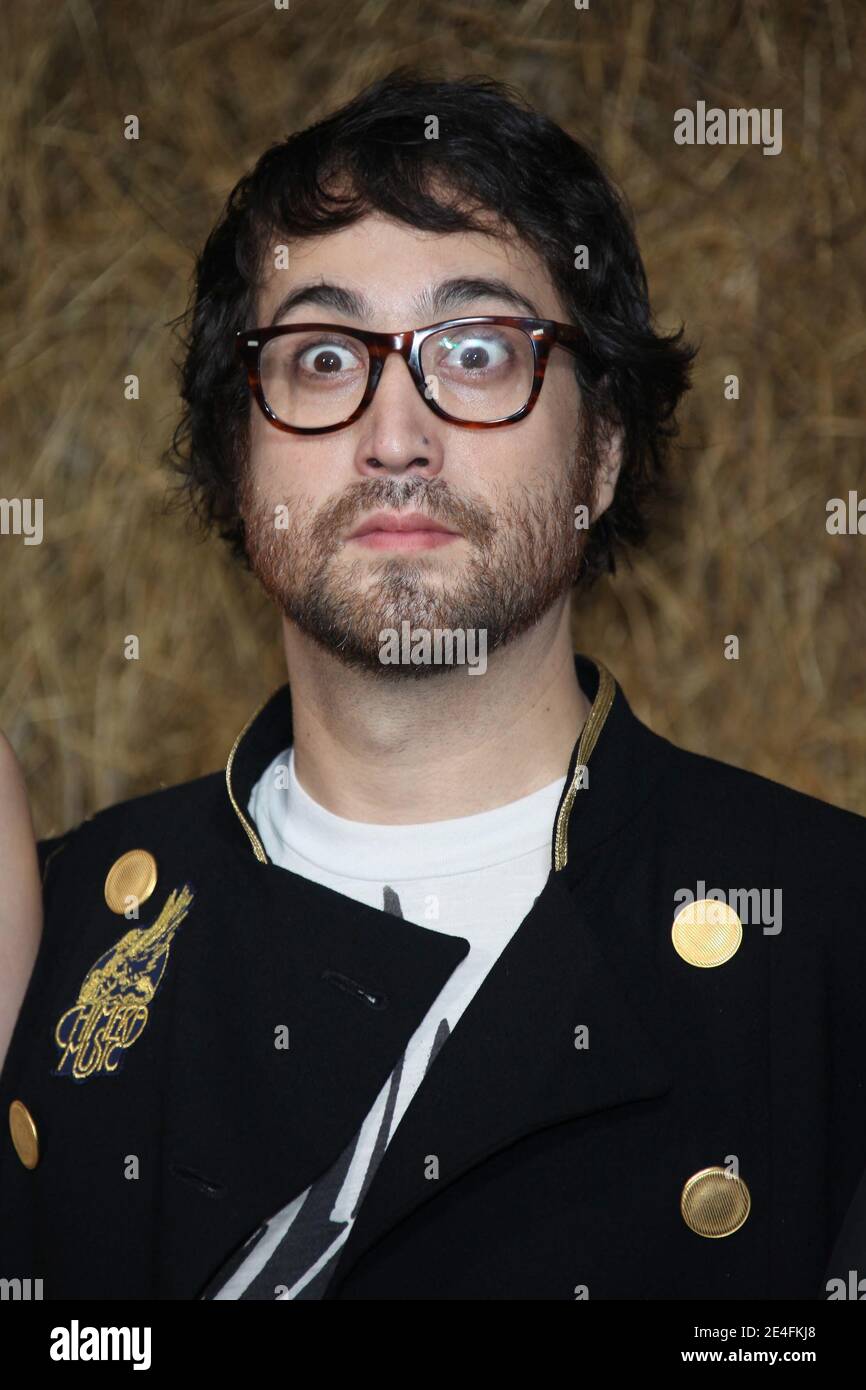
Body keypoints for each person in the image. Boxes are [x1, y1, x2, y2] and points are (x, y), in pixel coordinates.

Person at [2, 68, 865, 1302]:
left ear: (602, 452)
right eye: (318, 356)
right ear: (237, 463)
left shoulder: (830, 941)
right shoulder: (53, 934)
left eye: (474, 349)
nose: (394, 435)